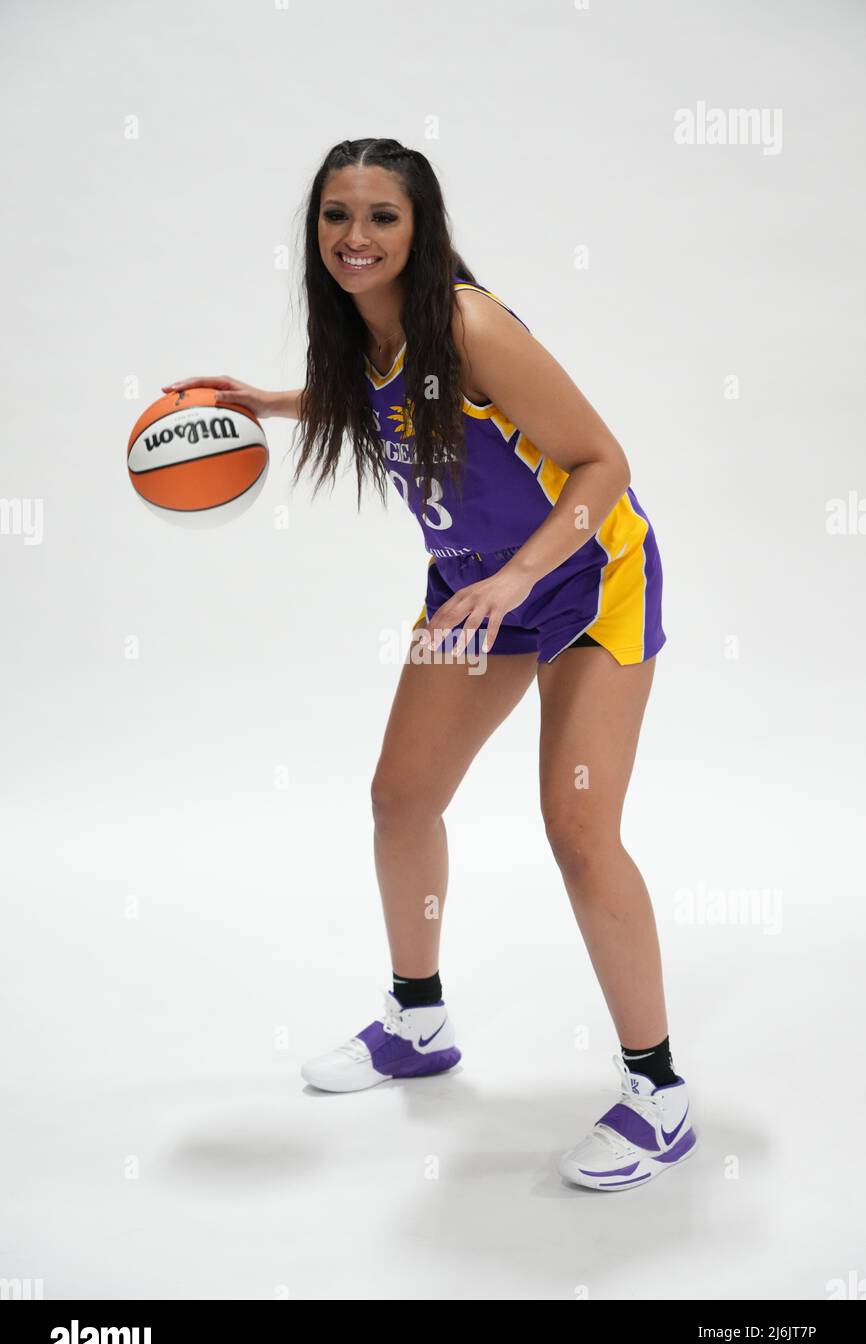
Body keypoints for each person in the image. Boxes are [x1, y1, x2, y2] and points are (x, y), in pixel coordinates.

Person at [163, 137, 696, 1191]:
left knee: (577, 829)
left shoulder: (466, 322)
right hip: (470, 585)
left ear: (422, 228)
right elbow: (383, 405)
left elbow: (602, 462)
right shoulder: (359, 334)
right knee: (400, 799)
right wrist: (267, 404)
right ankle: (418, 1022)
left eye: (381, 217)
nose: (354, 237)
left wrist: (521, 577)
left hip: (588, 578)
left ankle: (658, 1090)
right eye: (336, 216)